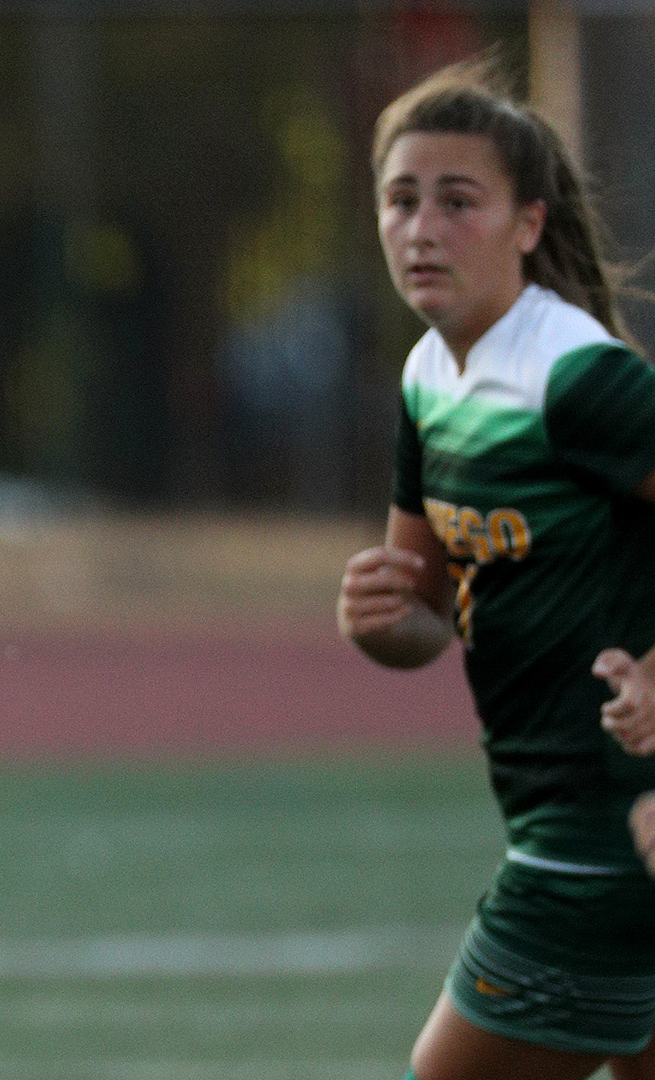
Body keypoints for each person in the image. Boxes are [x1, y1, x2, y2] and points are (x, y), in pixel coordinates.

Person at [337, 56, 655, 1080]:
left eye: (458, 200)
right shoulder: (432, 376)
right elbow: (429, 612)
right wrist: (387, 619)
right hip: (564, 814)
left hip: (604, 827)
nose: (422, 227)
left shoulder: (576, 377)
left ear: (529, 222)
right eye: (400, 199)